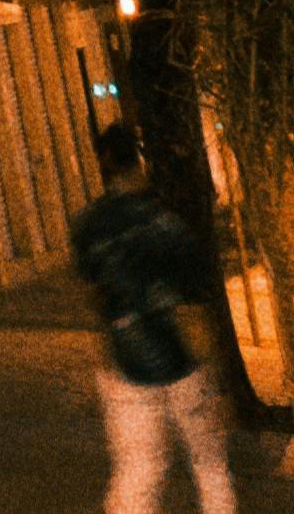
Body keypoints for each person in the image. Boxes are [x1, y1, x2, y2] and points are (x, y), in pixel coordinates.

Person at [71, 122, 238, 514]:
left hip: (125, 365)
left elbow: (93, 297)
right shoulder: (167, 222)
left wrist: (103, 361)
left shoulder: (88, 225)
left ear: (103, 163)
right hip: (181, 360)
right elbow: (194, 303)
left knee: (139, 470)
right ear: (138, 159)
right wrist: (213, 374)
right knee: (209, 464)